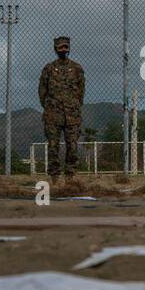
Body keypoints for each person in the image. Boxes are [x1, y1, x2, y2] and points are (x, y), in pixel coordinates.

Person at [38, 36, 85, 181]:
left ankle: (70, 176)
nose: (63, 50)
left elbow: (81, 90)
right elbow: (42, 91)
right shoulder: (49, 69)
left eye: (65, 47)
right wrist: (49, 106)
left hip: (72, 115)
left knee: (72, 147)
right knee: (53, 147)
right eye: (60, 47)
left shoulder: (77, 68)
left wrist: (75, 106)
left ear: (69, 48)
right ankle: (54, 177)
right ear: (55, 49)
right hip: (53, 114)